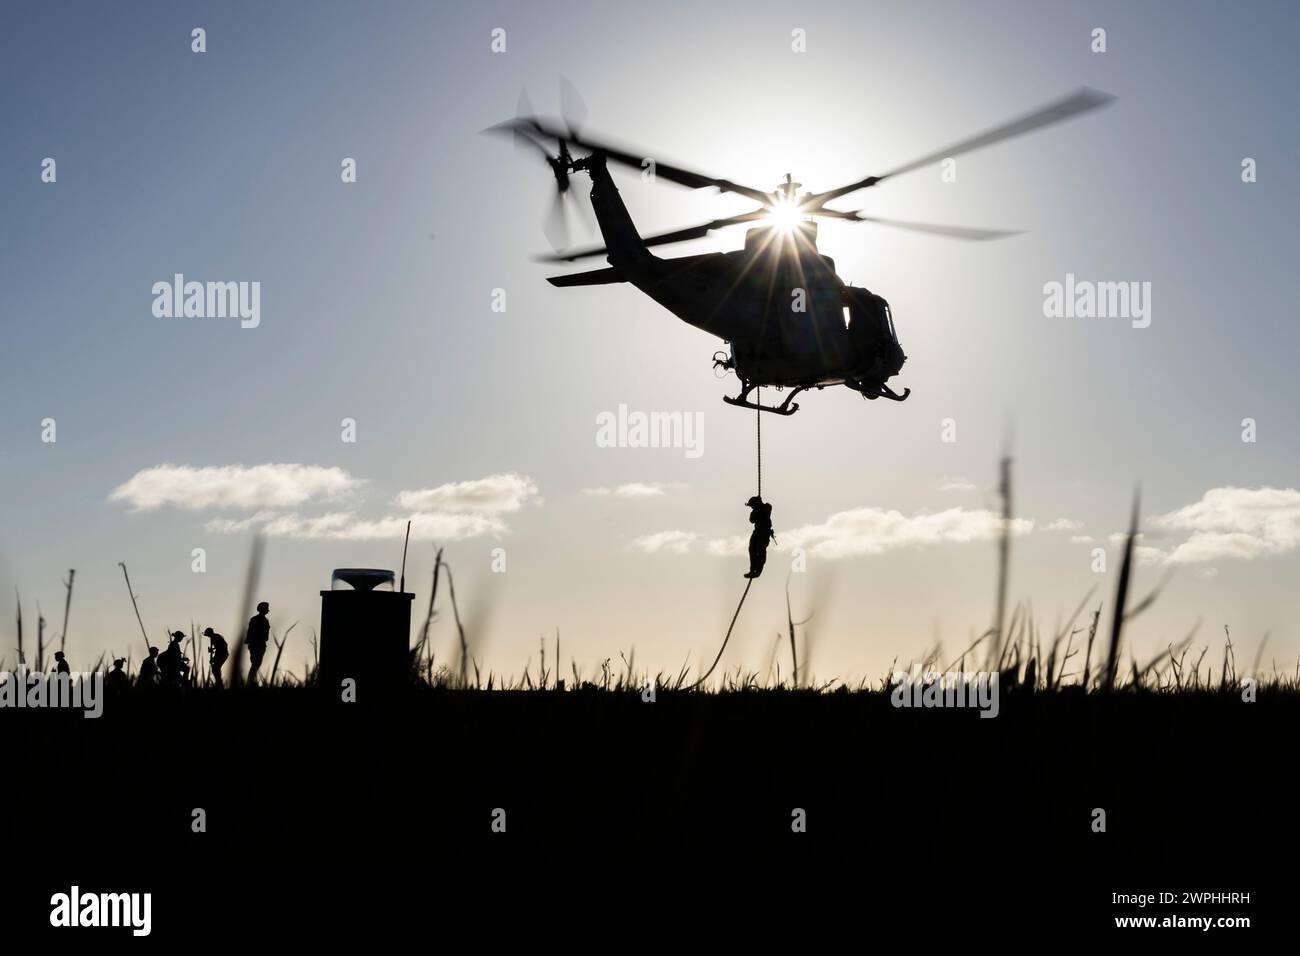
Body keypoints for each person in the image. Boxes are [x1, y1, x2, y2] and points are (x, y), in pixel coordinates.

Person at [744, 495, 775, 579]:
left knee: (760, 550)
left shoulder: (766, 507)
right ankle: (752, 570)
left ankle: (757, 571)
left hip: (764, 533)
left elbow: (766, 511)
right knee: (752, 549)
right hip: (757, 532)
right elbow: (752, 520)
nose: (752, 508)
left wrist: (758, 508)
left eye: (752, 506)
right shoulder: (755, 511)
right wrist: (756, 510)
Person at [247, 602, 271, 683]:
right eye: (266, 608)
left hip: (254, 644)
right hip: (258, 644)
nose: (268, 610)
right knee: (256, 663)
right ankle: (250, 682)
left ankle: (251, 681)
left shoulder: (254, 619)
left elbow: (249, 633)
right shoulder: (263, 620)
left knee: (255, 663)